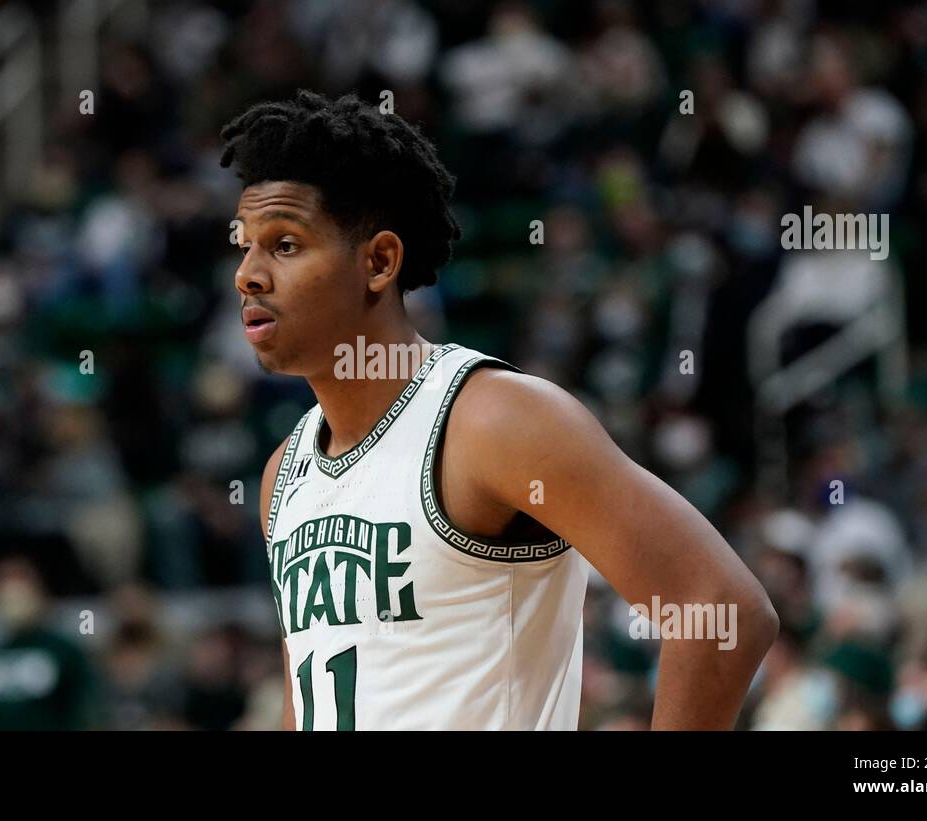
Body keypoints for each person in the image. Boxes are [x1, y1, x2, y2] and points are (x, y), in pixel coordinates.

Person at [220, 90, 778, 730]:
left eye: (285, 245)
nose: (248, 275)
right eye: (245, 246)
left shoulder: (494, 420)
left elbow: (721, 611)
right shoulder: (281, 476)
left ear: (378, 262)